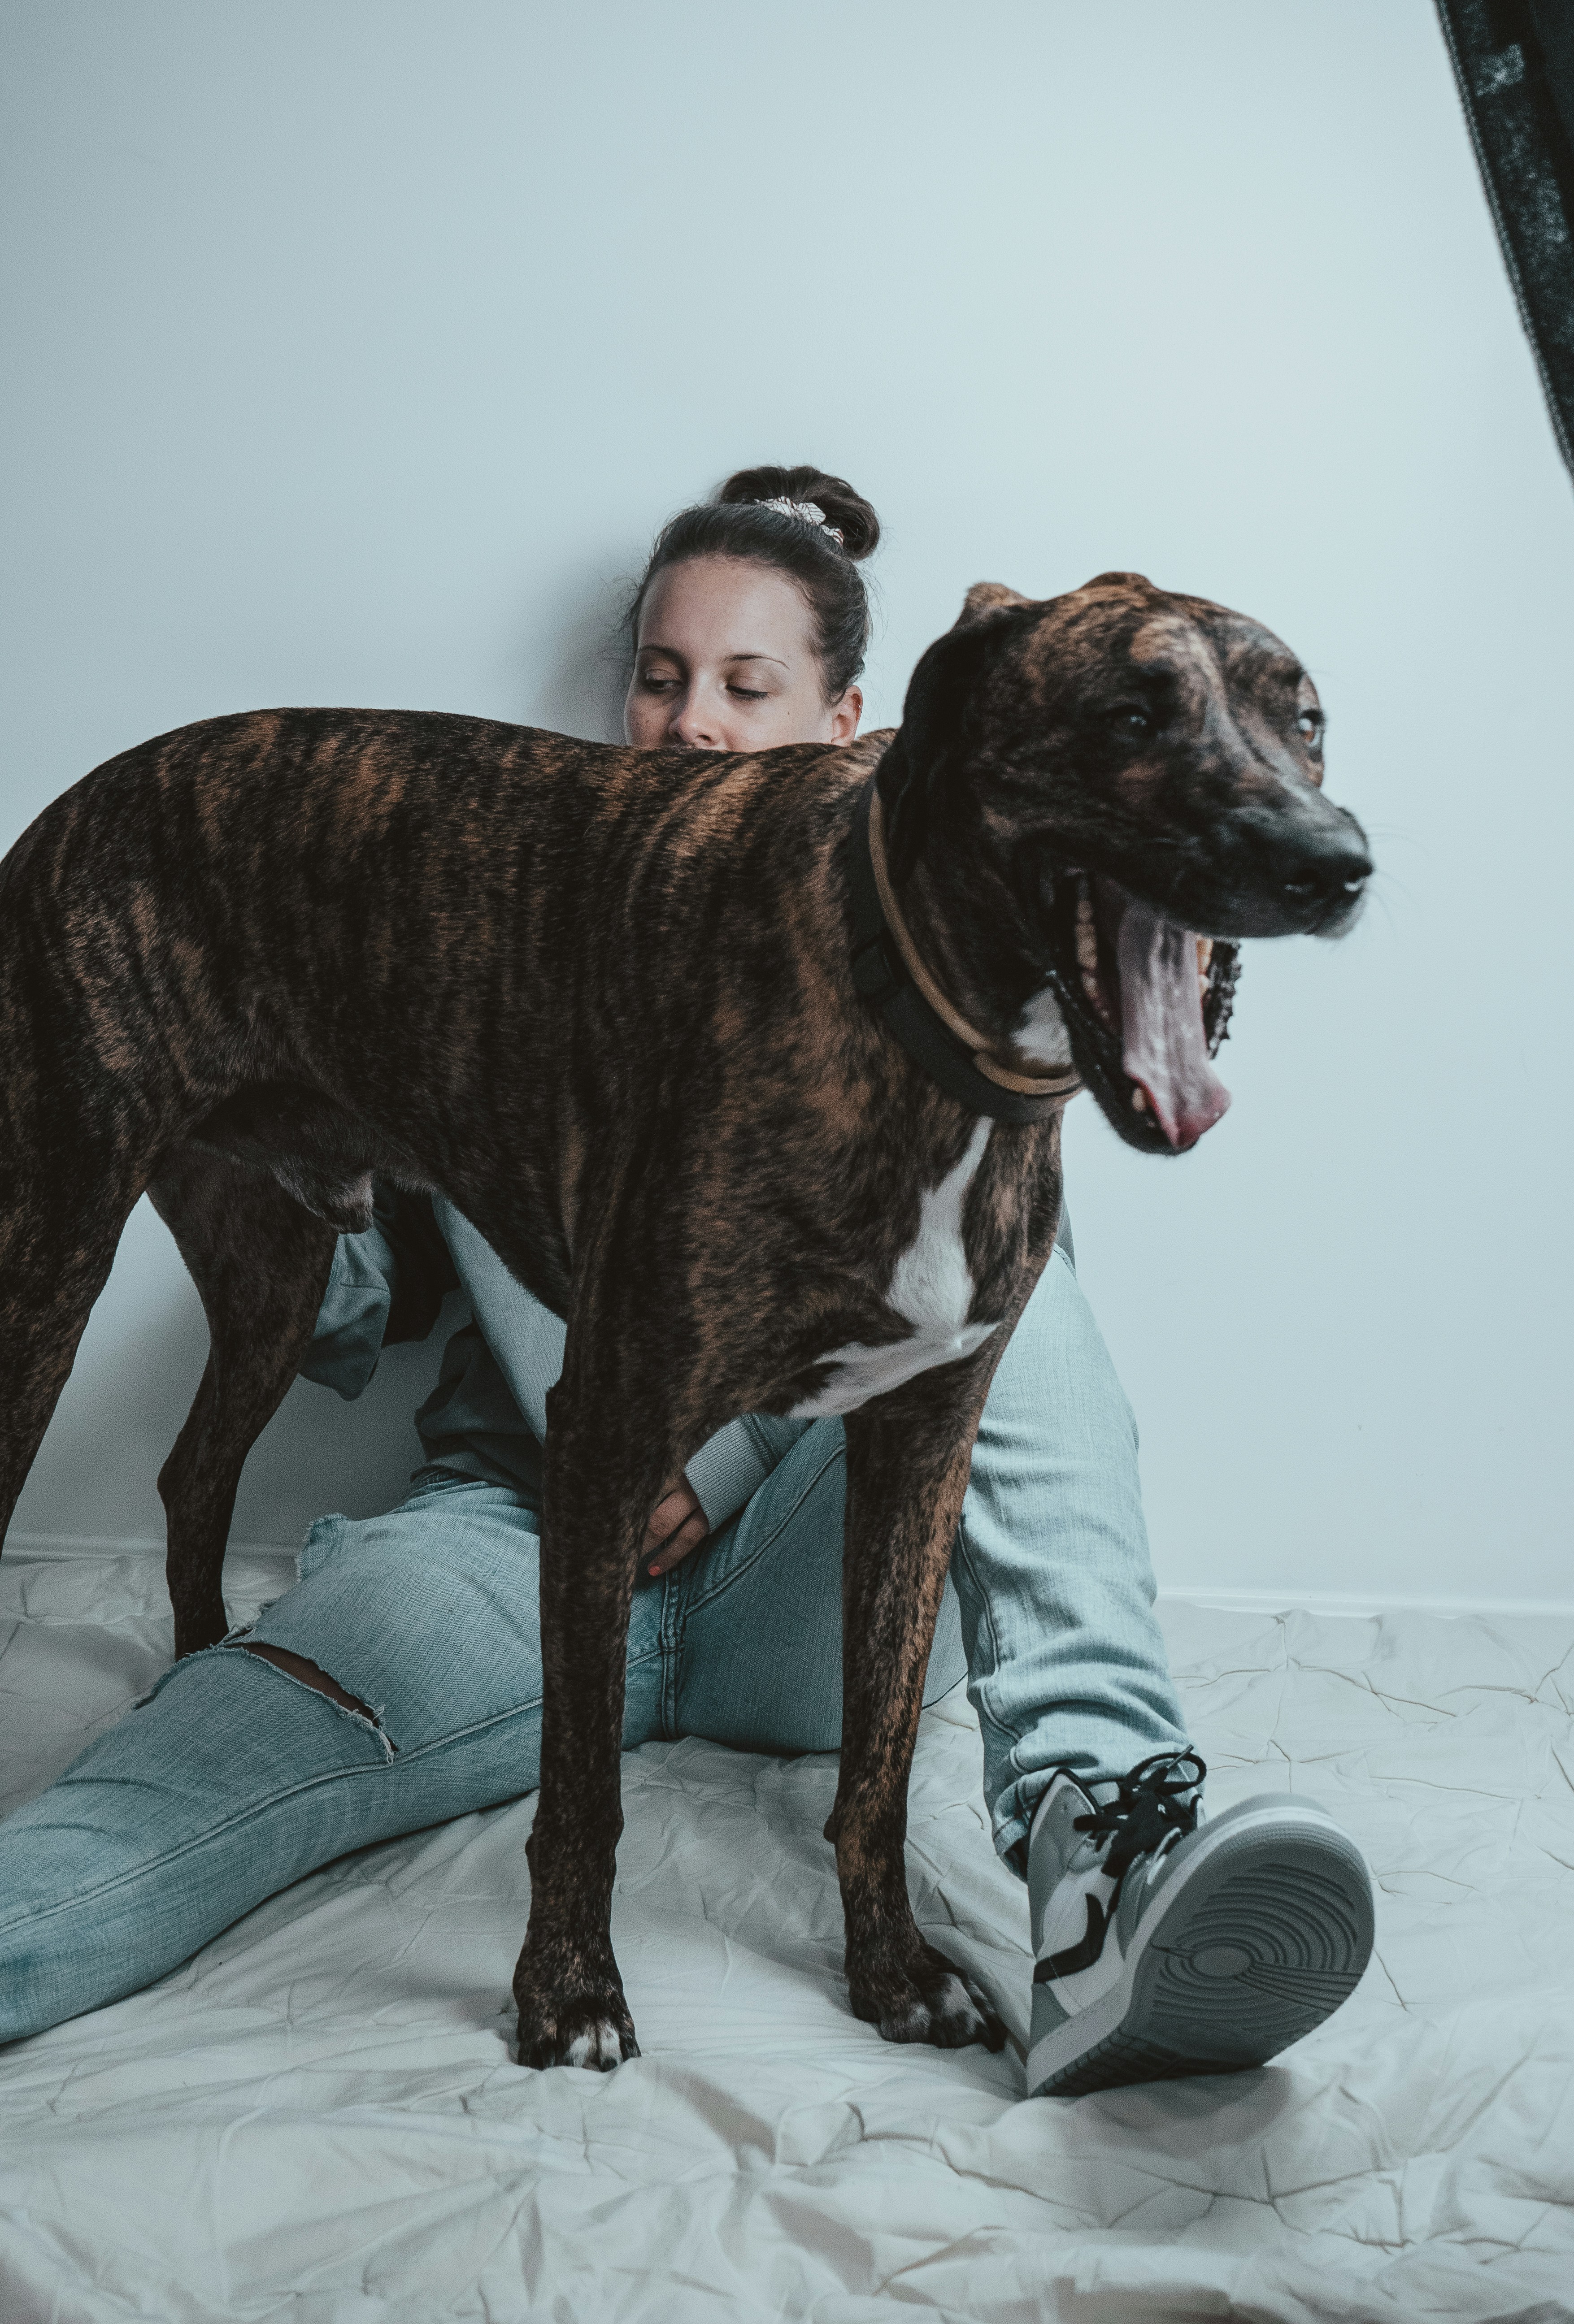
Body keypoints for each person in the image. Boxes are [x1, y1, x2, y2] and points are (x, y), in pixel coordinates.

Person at [0, 466, 1374, 2098]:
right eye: (660, 679)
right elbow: (346, 1311)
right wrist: (341, 1200)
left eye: (748, 686)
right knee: (166, 1808)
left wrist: (719, 1459)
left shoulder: (969, 1000)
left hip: (794, 1585)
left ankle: (1105, 1845)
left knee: (1024, 1286)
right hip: (509, 1556)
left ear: (867, 732)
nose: (694, 723)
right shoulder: (515, 907)